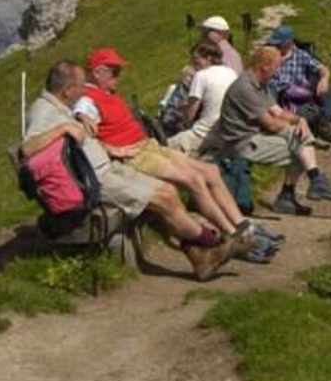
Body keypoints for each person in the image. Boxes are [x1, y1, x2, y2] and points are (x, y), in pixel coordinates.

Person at [23, 60, 234, 280]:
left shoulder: (59, 106)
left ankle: (201, 255)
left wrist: (110, 148)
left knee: (168, 190)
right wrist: (62, 127)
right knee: (163, 197)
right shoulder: (43, 112)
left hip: (105, 167)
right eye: (80, 86)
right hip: (92, 182)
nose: (84, 90)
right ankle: (213, 244)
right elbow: (26, 149)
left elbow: (80, 141)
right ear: (67, 90)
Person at [74, 47, 280, 261]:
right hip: (134, 156)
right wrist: (108, 147)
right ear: (97, 72)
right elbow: (82, 126)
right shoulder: (86, 100)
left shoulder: (106, 93)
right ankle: (234, 237)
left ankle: (242, 225)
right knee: (194, 180)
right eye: (114, 71)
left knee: (210, 171)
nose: (118, 76)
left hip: (147, 146)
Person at [199, 46, 331, 215]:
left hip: (254, 135)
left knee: (301, 142)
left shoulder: (261, 84)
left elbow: (278, 111)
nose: (278, 72)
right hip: (240, 143)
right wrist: (294, 127)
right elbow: (270, 123)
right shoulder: (245, 87)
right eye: (276, 67)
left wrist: (300, 120)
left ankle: (305, 187)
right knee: (300, 148)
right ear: (265, 67)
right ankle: (303, 187)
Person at [265, 25, 331, 144]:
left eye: (279, 44)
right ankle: (271, 123)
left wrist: (324, 79)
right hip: (278, 93)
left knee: (326, 88)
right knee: (271, 88)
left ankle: (325, 122)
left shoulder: (300, 55)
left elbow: (322, 68)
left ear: (289, 43)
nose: (276, 46)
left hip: (298, 93)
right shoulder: (269, 54)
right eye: (275, 44)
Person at [168, 41, 237, 156]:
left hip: (205, 133)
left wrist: (183, 122)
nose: (193, 63)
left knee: (163, 147)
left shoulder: (201, 75)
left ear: (208, 58)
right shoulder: (231, 72)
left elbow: (190, 114)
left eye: (196, 59)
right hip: (230, 130)